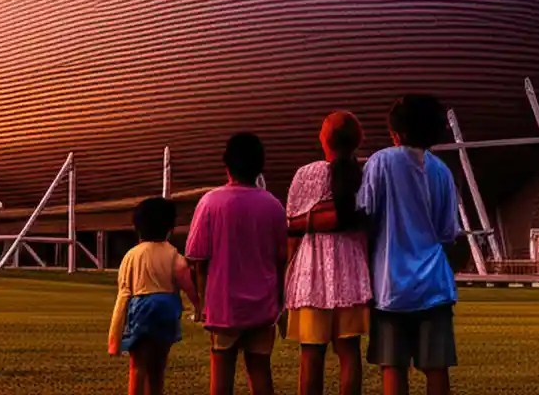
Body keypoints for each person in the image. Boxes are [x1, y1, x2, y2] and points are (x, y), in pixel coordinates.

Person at [357, 95, 460, 395]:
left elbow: (365, 212)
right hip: (435, 286)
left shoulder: (381, 162)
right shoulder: (441, 171)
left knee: (393, 366)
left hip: (391, 286)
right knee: (436, 367)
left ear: (397, 132)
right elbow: (447, 232)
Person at [186, 132, 288, 395]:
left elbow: (197, 258)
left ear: (227, 165)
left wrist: (202, 303)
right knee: (260, 372)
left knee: (221, 374)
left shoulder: (210, 202)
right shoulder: (274, 206)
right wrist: (280, 301)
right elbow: (282, 259)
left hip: (223, 307)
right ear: (259, 167)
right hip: (263, 307)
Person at [284, 110, 374, 395]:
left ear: (324, 138)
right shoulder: (362, 175)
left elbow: (291, 226)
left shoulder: (306, 174)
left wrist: (287, 274)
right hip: (351, 270)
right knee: (349, 351)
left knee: (311, 353)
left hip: (311, 273)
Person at [108, 197, 200, 395]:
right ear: (170, 228)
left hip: (140, 309)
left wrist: (115, 336)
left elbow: (123, 295)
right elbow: (187, 282)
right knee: (158, 366)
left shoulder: (131, 256)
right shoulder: (174, 254)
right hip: (167, 309)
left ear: (137, 228)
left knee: (137, 365)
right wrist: (199, 306)